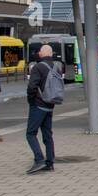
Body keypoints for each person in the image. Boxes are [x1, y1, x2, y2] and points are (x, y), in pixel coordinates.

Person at [25, 44, 59, 174]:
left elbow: (32, 86)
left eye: (39, 51)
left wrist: (30, 100)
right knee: (47, 134)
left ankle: (39, 160)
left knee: (30, 133)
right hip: (50, 104)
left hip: (38, 104)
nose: (38, 53)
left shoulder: (38, 67)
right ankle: (50, 163)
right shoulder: (56, 66)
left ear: (41, 53)